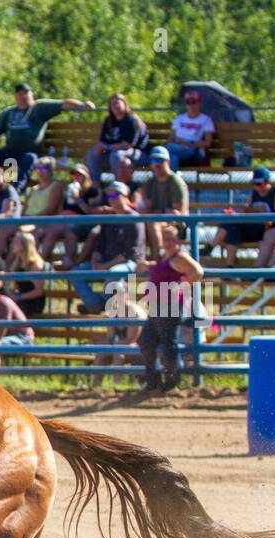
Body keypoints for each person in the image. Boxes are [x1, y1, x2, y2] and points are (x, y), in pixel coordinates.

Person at [0, 83, 94, 192]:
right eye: (20, 93)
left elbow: (63, 104)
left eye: (25, 92)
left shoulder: (39, 108)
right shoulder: (9, 113)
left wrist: (82, 105)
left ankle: (15, 192)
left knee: (28, 159)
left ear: (31, 94)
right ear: (16, 96)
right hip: (10, 155)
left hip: (28, 154)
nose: (23, 96)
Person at [137, 224, 204, 391]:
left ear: (177, 241)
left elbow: (198, 271)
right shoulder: (166, 257)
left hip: (170, 305)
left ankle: (170, 381)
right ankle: (155, 380)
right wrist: (149, 266)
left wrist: (180, 285)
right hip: (158, 305)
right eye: (165, 238)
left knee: (167, 343)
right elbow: (165, 271)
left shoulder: (179, 257)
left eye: (171, 239)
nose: (167, 242)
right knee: (147, 341)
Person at [68, 181, 144, 314]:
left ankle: (103, 303)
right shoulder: (109, 218)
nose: (112, 200)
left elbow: (131, 252)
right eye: (109, 197)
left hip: (129, 263)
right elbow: (100, 243)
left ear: (125, 196)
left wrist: (106, 265)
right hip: (107, 261)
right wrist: (96, 259)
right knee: (76, 273)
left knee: (113, 272)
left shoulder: (134, 219)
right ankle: (95, 304)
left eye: (115, 196)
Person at [211, 166, 275, 268]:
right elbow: (247, 211)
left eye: (259, 184)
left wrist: (262, 213)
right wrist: (254, 210)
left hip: (265, 230)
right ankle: (229, 268)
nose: (257, 186)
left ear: (267, 181)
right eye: (254, 184)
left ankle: (211, 246)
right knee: (232, 230)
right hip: (251, 227)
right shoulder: (254, 194)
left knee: (230, 224)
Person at [0, 156, 63, 259]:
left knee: (25, 234)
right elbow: (24, 209)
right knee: (4, 229)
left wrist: (31, 219)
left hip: (42, 222)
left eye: (43, 169)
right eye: (38, 169)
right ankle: (0, 264)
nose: (40, 172)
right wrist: (22, 219)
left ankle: (24, 266)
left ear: (51, 170)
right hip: (27, 220)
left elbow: (50, 209)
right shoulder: (33, 189)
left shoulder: (56, 186)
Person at [134, 146, 189, 257]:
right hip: (151, 222)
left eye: (160, 160)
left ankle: (158, 260)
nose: (157, 164)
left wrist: (155, 213)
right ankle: (140, 266)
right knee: (135, 229)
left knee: (152, 223)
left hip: (175, 225)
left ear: (167, 162)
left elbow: (177, 213)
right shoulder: (150, 182)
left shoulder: (175, 182)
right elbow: (144, 207)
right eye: (154, 160)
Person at [87, 93, 150, 185]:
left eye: (118, 102)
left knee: (116, 155)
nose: (115, 106)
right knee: (92, 154)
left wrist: (106, 147)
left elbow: (127, 145)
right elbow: (102, 143)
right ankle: (96, 188)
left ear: (125, 104)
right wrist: (98, 148)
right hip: (115, 153)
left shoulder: (131, 120)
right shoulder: (109, 121)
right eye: (112, 104)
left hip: (139, 154)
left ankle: (118, 188)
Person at [164, 91, 215, 168]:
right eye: (188, 102)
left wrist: (189, 143)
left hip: (194, 150)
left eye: (194, 102)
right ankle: (172, 179)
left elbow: (208, 142)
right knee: (173, 158)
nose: (191, 105)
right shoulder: (179, 118)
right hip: (177, 147)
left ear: (199, 103)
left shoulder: (206, 120)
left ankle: (158, 153)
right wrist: (177, 142)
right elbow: (171, 138)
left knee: (164, 152)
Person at [6, 231, 47, 318]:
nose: (13, 244)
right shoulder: (17, 263)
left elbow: (38, 292)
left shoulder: (36, 264)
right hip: (21, 299)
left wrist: (18, 297)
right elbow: (16, 287)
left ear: (25, 245)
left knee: (12, 308)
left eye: (16, 242)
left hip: (33, 302)